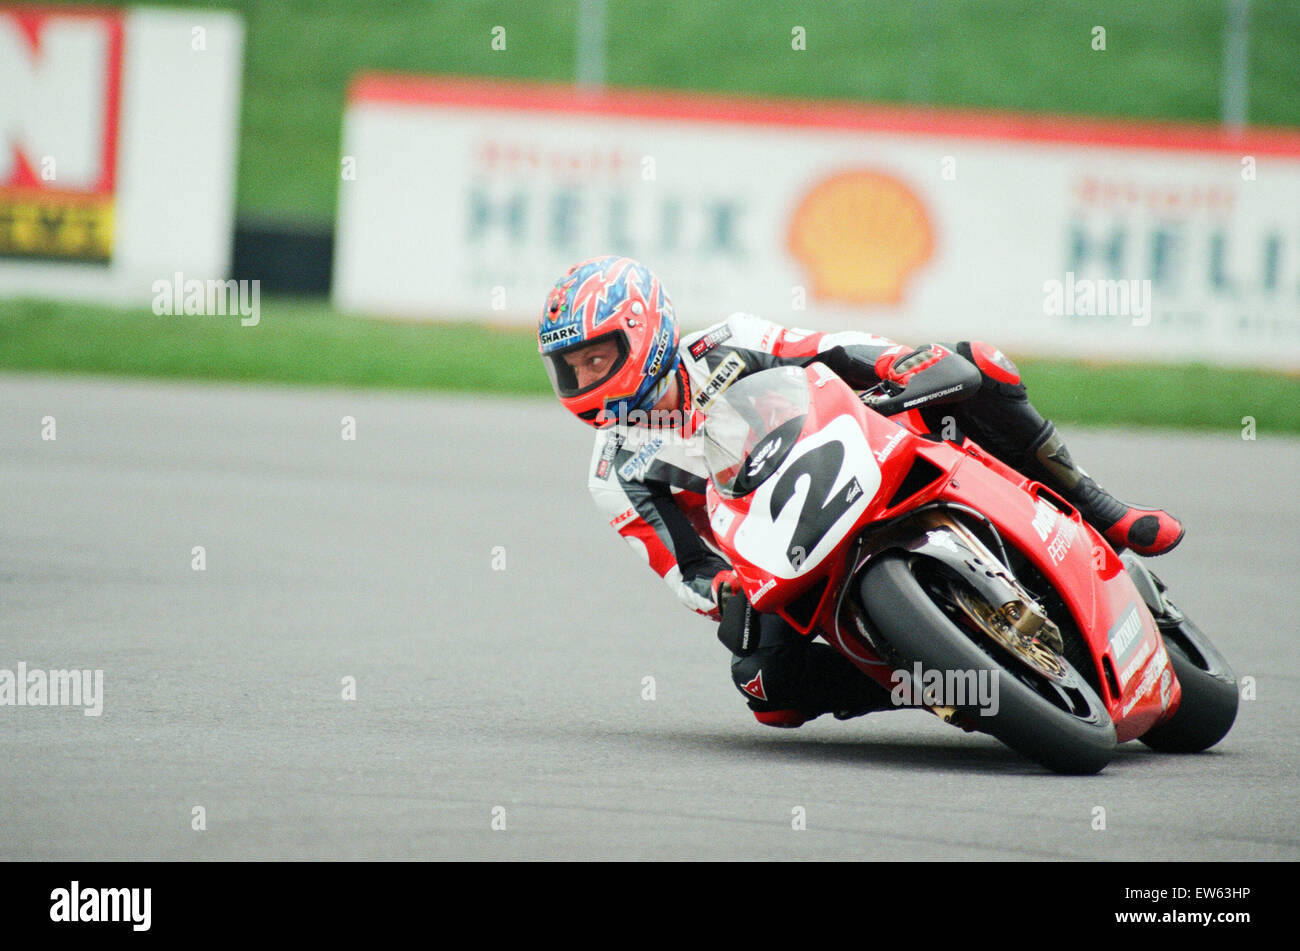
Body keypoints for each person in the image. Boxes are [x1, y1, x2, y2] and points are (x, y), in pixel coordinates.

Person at [538, 255, 1184, 728]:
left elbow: (833, 349)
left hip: (850, 454)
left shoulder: (730, 342)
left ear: (644, 331)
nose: (587, 376)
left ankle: (1105, 511)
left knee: (976, 366)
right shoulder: (616, 473)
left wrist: (895, 363)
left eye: (598, 356)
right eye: (574, 368)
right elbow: (684, 567)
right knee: (766, 688)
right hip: (775, 551)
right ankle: (933, 679)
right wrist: (720, 592)